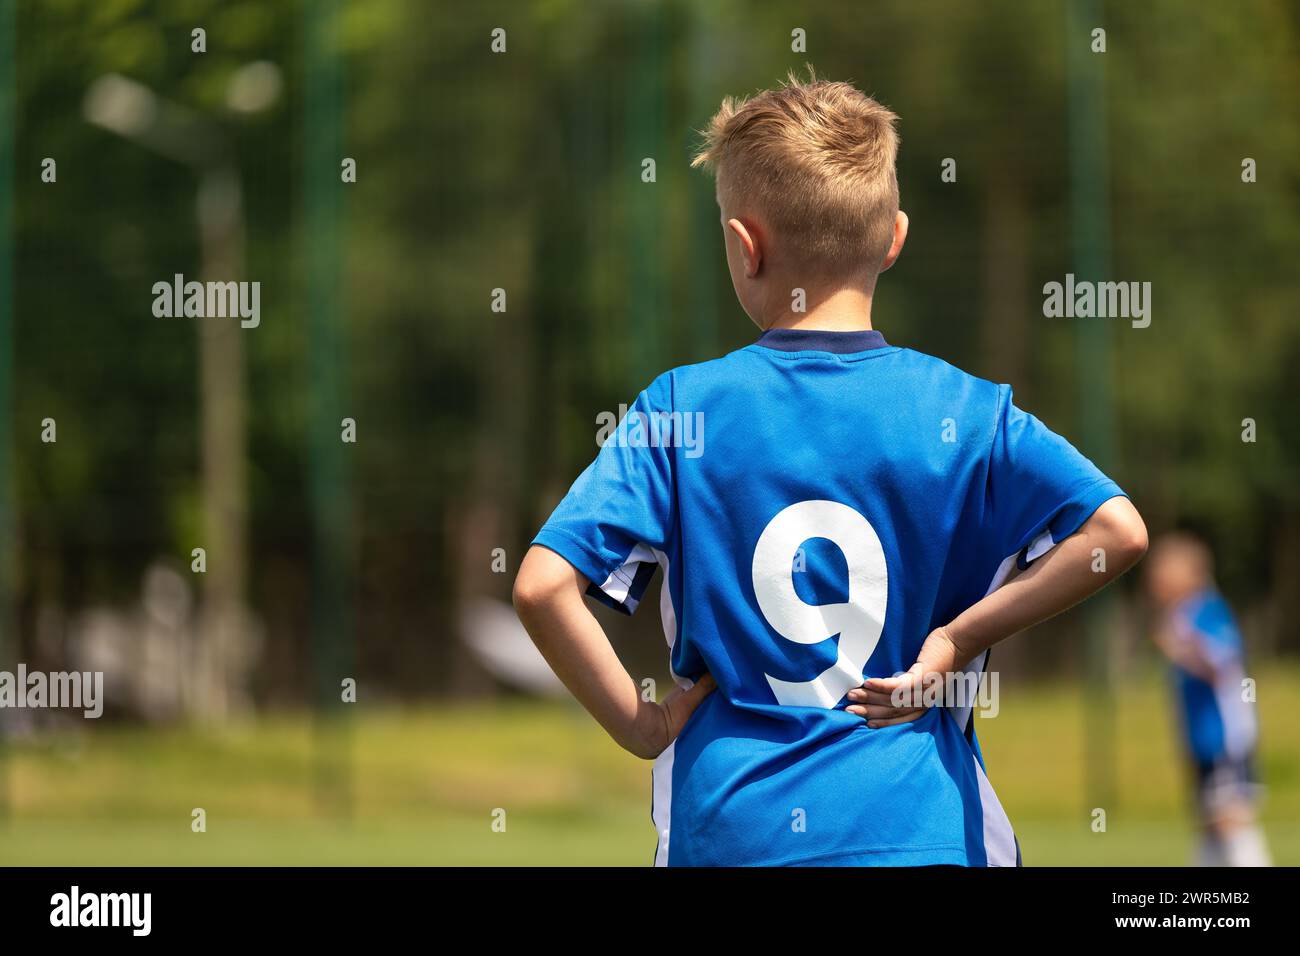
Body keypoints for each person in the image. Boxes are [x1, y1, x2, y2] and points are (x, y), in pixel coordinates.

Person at [513, 70, 1148, 866]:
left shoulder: (680, 410)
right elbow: (1117, 531)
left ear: (745, 248)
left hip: (730, 834)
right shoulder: (964, 409)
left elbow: (541, 586)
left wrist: (642, 728)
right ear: (895, 237)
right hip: (919, 836)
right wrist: (955, 640)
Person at [1145, 532, 1270, 866]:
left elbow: (1222, 661)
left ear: (1192, 573)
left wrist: (1181, 649)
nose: (1154, 578)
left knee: (1232, 818)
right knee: (1211, 822)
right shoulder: (1180, 614)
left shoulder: (1208, 610)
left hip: (1224, 736)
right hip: (1200, 739)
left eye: (1163, 569)